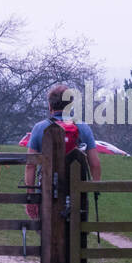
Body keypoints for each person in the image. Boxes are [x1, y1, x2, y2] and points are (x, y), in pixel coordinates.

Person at [24, 83, 101, 220]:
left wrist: (31, 197)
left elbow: (30, 165)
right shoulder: (83, 127)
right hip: (76, 190)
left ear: (50, 106)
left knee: (47, 233)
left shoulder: (39, 128)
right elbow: (94, 164)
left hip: (48, 190)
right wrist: (94, 189)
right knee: (77, 234)